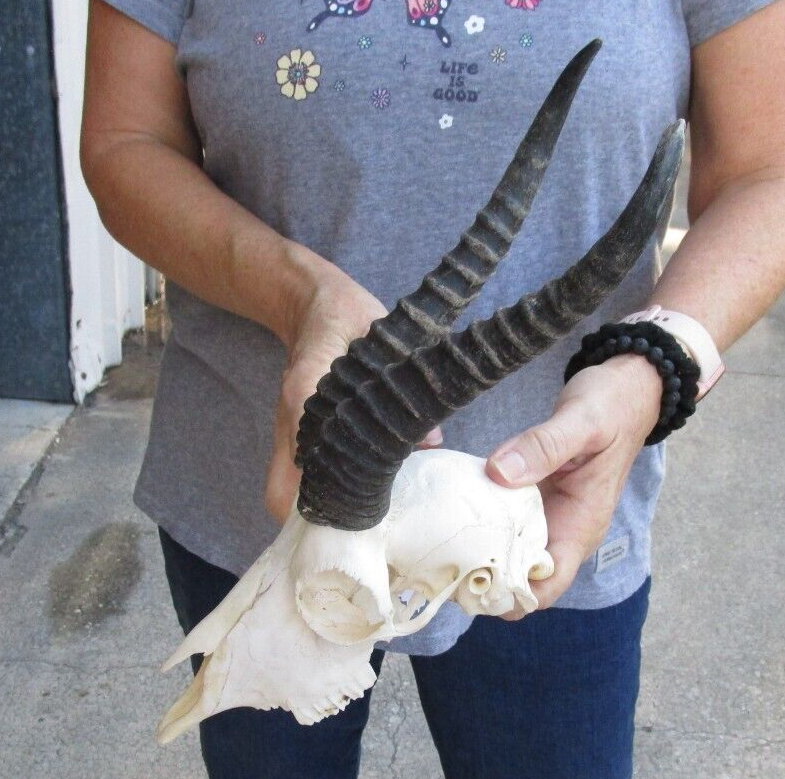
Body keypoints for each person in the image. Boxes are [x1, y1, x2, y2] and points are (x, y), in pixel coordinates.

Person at [81, 1, 785, 777]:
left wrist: (653, 361)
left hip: (544, 524)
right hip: (262, 509)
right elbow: (125, 142)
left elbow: (767, 170)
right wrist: (296, 294)